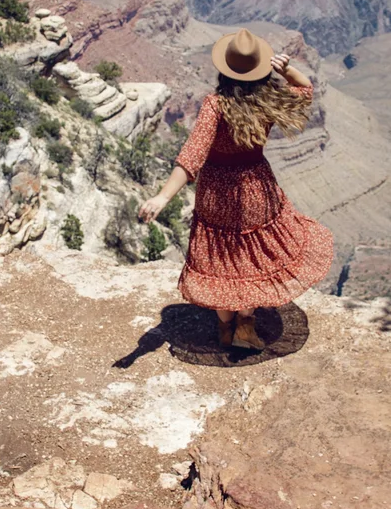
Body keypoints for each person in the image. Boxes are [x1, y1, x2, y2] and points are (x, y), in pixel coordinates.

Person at [139, 28, 334, 350]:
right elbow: (305, 88)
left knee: (222, 259)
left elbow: (192, 154)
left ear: (225, 71)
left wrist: (163, 196)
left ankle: (225, 326)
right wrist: (285, 69)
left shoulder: (216, 105)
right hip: (257, 188)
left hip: (218, 192)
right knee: (252, 259)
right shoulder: (269, 98)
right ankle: (247, 322)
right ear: (260, 70)